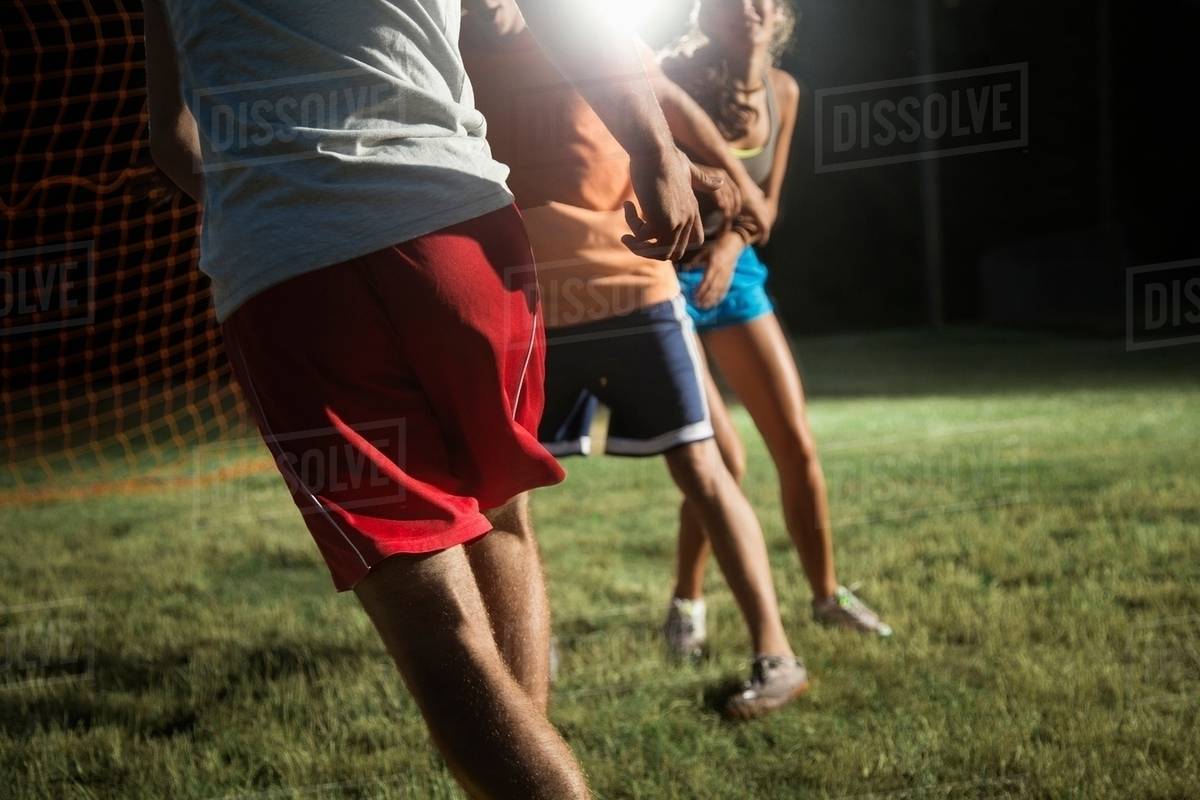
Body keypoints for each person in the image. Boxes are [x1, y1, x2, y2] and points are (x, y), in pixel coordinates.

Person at [143, 1, 713, 796]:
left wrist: (268, 193)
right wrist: (653, 146)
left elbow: (168, 134)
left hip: (290, 276)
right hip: (460, 232)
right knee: (502, 514)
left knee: (429, 613)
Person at [462, 0, 810, 720]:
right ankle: (528, 653)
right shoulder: (447, 59)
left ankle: (775, 654)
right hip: (523, 303)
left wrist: (730, 192)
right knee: (501, 497)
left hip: (632, 292)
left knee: (704, 468)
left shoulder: (591, 40)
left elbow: (688, 124)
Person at [661, 0, 893, 657]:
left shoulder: (785, 92)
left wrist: (731, 250)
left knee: (796, 446)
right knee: (720, 457)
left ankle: (827, 596)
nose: (750, 8)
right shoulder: (665, 75)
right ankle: (687, 604)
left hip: (735, 273)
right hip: (660, 280)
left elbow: (768, 208)